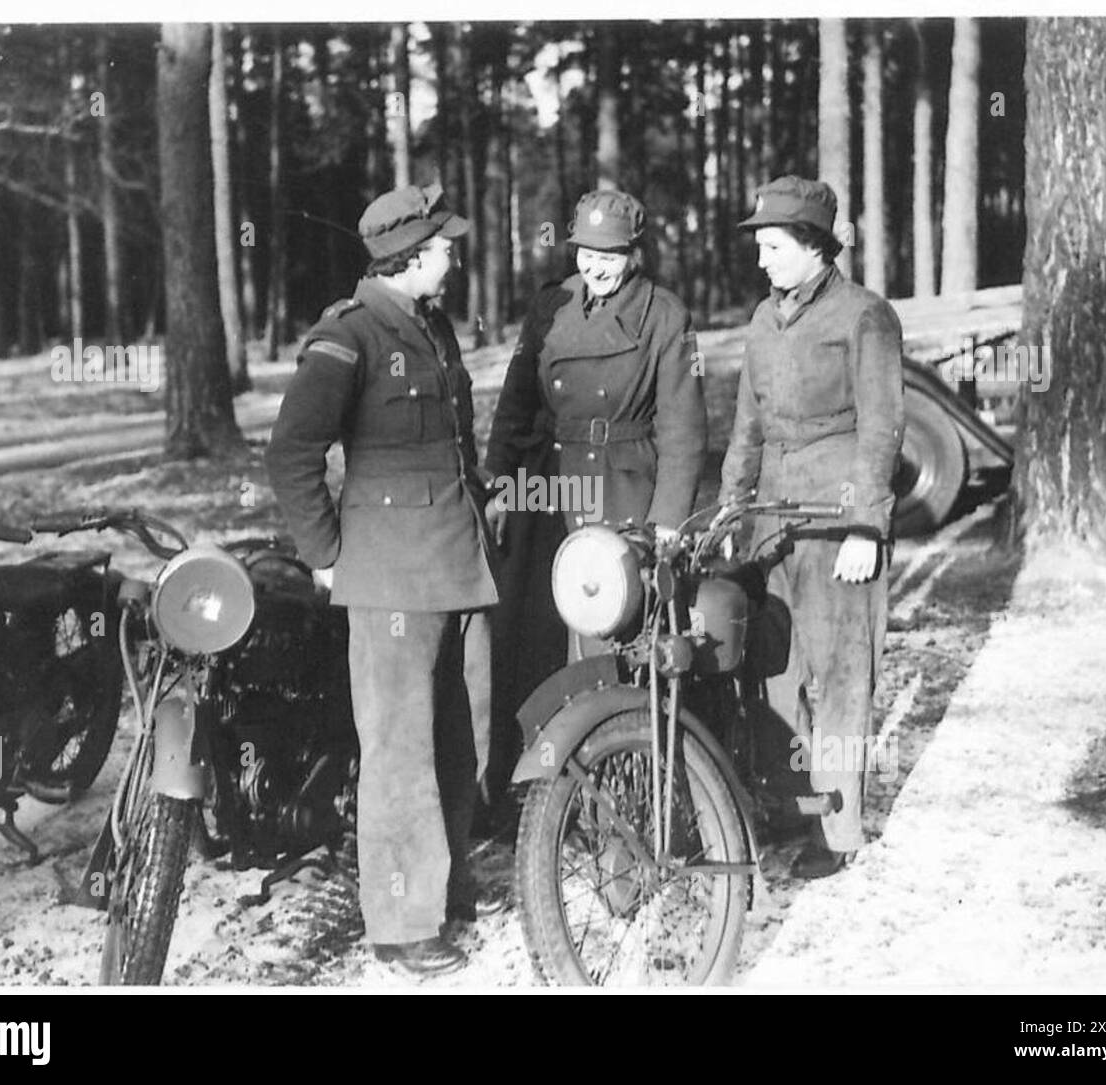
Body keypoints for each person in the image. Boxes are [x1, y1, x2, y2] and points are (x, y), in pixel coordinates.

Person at [264, 182, 498, 976]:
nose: (454, 255)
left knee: (464, 732)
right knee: (400, 751)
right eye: (444, 245)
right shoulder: (350, 336)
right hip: (393, 578)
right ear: (408, 258)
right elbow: (293, 452)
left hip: (459, 563)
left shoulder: (432, 327)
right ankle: (402, 920)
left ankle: (449, 881)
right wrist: (328, 555)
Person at [482, 189, 708, 802]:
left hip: (624, 484)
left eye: (611, 254)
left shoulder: (665, 315)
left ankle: (624, 796)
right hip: (553, 490)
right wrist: (502, 487)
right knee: (534, 638)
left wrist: (667, 522)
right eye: (586, 252)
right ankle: (540, 794)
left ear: (635, 253)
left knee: (615, 643)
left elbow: (684, 430)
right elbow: (516, 406)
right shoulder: (551, 308)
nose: (596, 266)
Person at [718, 175, 905, 880]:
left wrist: (865, 527)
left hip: (835, 522)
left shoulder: (865, 317)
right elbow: (746, 427)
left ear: (814, 247)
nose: (762, 259)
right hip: (772, 524)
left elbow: (882, 427)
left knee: (841, 675)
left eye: (772, 246)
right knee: (778, 673)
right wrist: (735, 511)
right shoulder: (764, 320)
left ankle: (840, 829)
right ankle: (797, 812)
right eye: (760, 246)